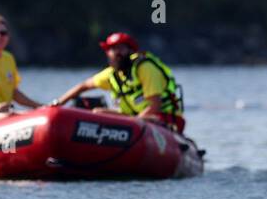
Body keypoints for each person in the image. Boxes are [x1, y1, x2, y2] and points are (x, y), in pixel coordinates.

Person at [52, 32, 185, 132]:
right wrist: (57, 103)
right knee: (98, 112)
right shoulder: (111, 74)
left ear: (131, 51)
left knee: (148, 119)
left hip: (164, 119)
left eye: (120, 48)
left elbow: (155, 106)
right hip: (134, 121)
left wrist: (134, 122)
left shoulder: (144, 68)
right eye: (111, 49)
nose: (115, 53)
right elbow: (84, 86)